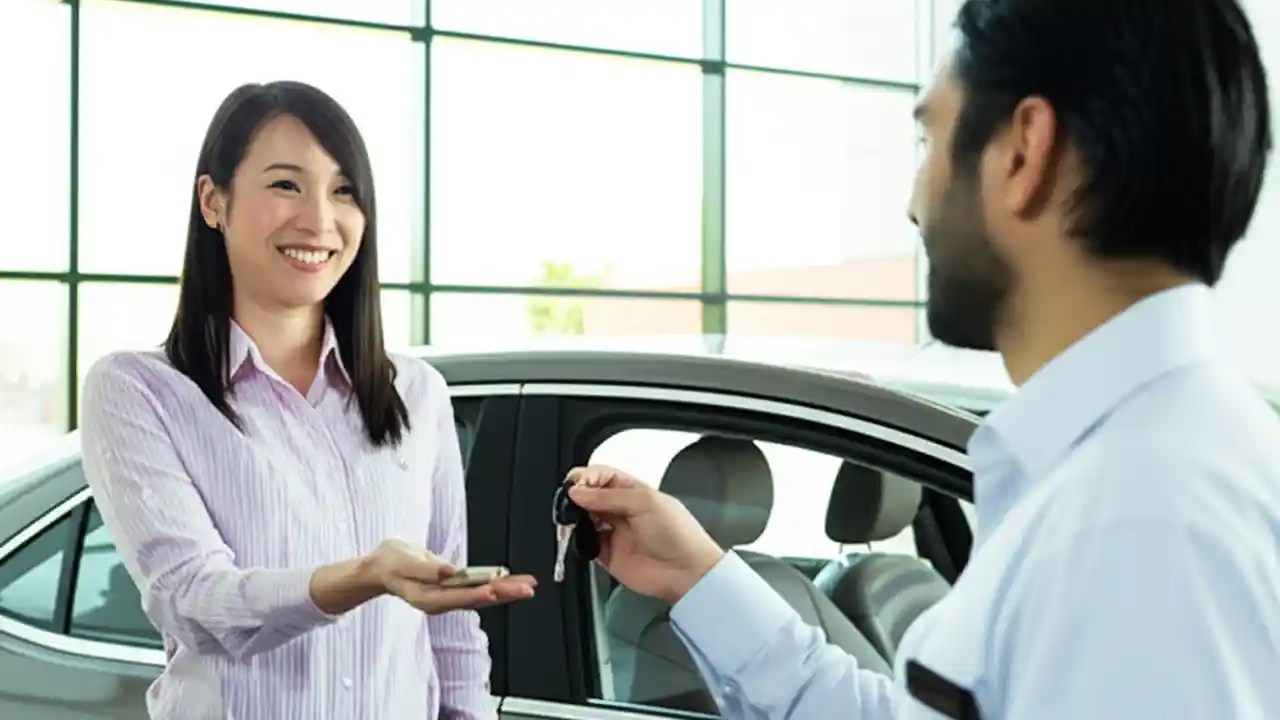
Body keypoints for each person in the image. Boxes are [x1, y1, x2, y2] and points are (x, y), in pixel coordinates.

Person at [565, 0, 1280, 717]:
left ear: (1024, 151)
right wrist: (697, 577)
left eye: (928, 141)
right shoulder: (1179, 464)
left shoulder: (1138, 526)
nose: (914, 204)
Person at [79, 81, 536, 720]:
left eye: (344, 191)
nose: (320, 221)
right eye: (287, 185)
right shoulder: (140, 390)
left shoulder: (416, 393)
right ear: (214, 201)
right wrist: (364, 577)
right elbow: (193, 601)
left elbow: (451, 637)